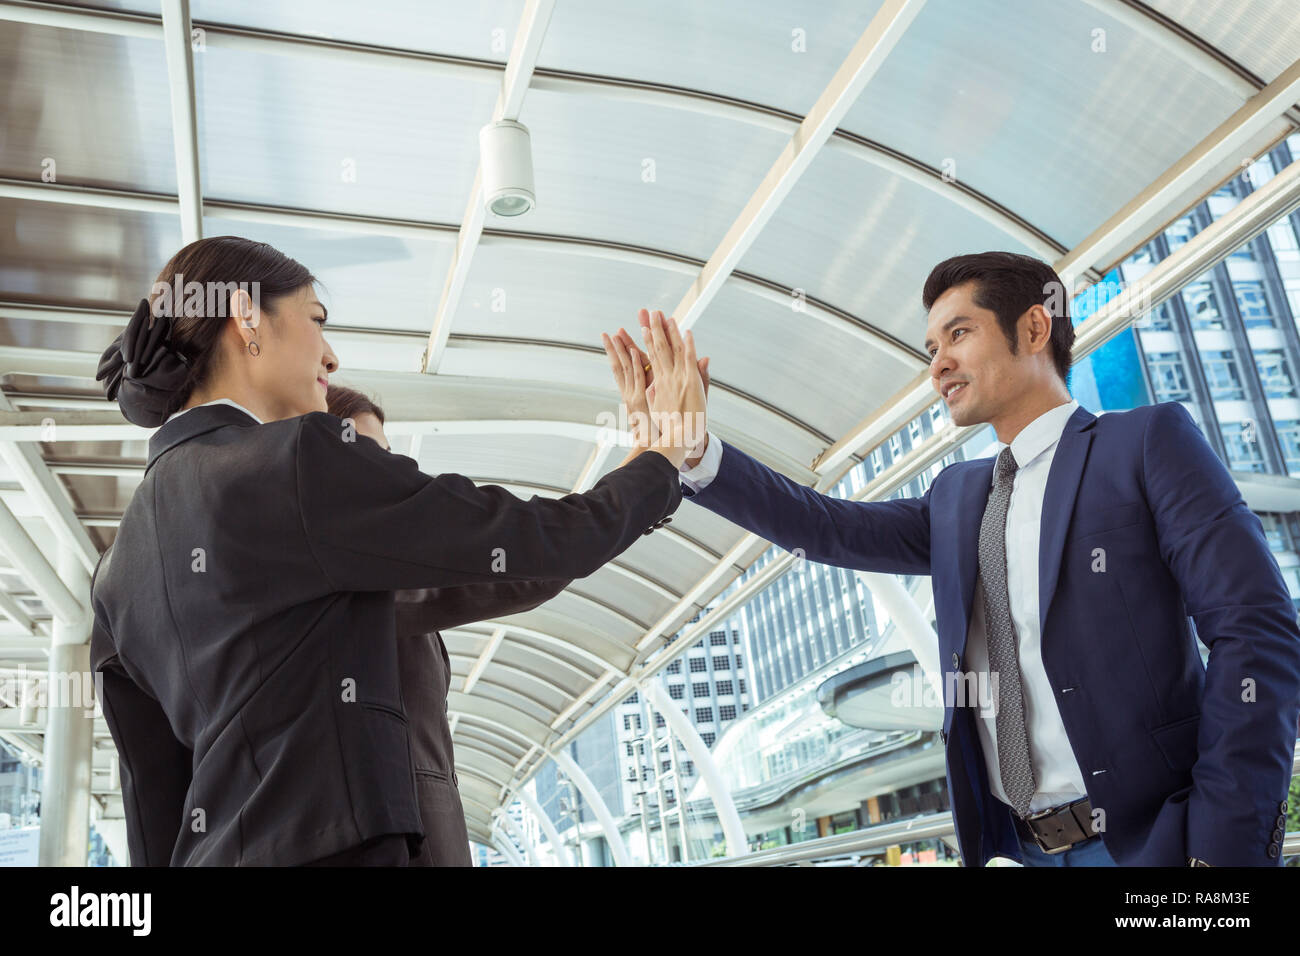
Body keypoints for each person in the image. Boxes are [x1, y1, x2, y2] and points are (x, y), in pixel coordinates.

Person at [620, 254, 1300, 867]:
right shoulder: (957, 497)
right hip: (1019, 850)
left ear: (1035, 329)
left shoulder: (1144, 446)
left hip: (1151, 849)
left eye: (958, 334)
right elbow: (827, 529)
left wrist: (1221, 854)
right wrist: (690, 449)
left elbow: (1257, 632)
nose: (937, 363)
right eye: (930, 346)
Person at [89, 235, 705, 866]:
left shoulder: (115, 568)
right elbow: (524, 538)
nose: (330, 355)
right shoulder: (298, 459)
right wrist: (662, 458)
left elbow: (151, 798)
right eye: (316, 320)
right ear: (248, 318)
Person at [325, 384, 571, 866]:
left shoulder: (374, 571)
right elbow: (520, 575)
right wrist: (645, 479)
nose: (387, 469)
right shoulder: (347, 580)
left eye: (389, 454)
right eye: (367, 452)